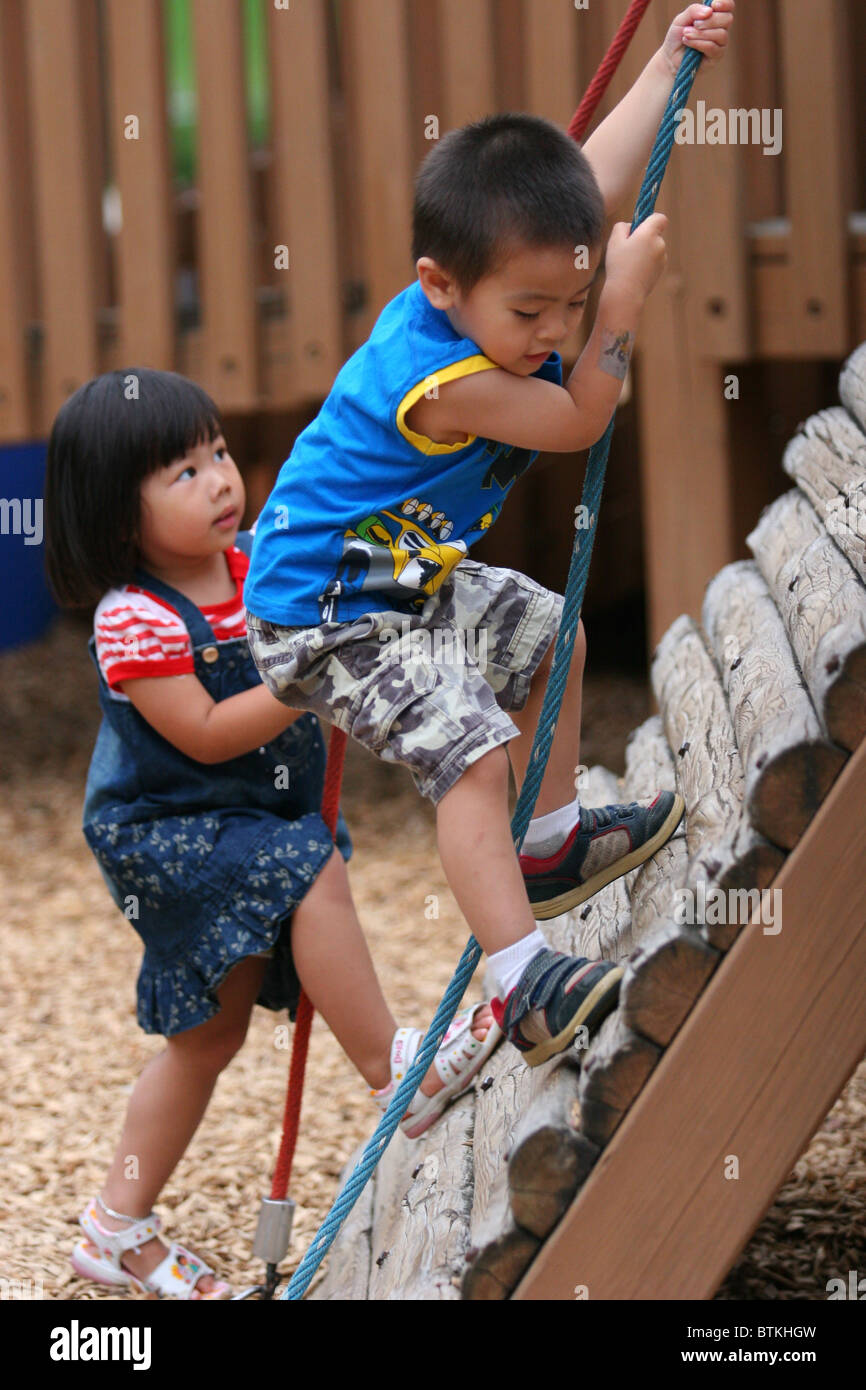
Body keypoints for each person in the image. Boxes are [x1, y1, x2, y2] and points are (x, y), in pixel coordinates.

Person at [245, 5, 734, 1065]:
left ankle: (550, 841)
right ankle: (521, 986)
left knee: (548, 637)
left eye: (568, 302)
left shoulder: (494, 297)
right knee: (470, 751)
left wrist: (663, 63)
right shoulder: (453, 380)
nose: (554, 329)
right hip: (324, 609)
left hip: (394, 578)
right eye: (531, 311)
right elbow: (575, 420)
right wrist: (618, 313)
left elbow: (585, 181)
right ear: (440, 287)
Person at [44, 369, 501, 1300]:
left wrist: (397, 559)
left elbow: (339, 590)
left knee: (205, 1043)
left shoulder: (257, 565)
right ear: (116, 515)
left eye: (216, 452)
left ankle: (114, 1226)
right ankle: (394, 1072)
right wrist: (307, 676)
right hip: (166, 835)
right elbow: (207, 735)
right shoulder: (131, 621)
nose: (219, 478)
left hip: (249, 820)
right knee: (309, 872)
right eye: (181, 471)